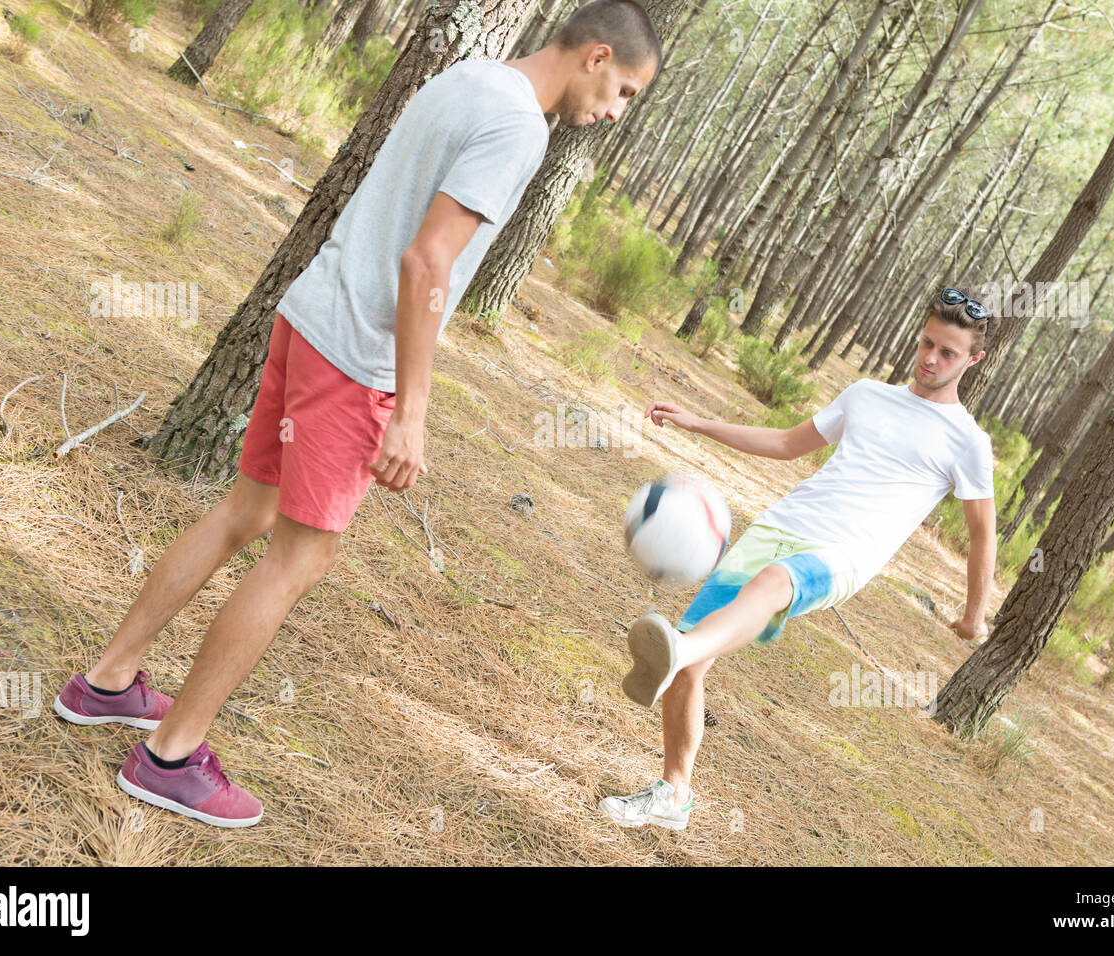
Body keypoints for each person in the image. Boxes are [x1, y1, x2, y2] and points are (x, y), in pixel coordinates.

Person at [52, 1, 662, 829]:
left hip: (309, 319)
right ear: (595, 56)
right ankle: (169, 754)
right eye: (623, 91)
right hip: (355, 361)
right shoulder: (520, 126)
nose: (616, 113)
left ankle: (108, 682)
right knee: (296, 559)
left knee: (245, 512)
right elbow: (427, 259)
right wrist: (411, 410)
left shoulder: (470, 77)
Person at [601, 288, 998, 831]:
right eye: (928, 343)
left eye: (948, 353)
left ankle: (679, 649)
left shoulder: (968, 442)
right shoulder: (866, 394)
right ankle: (674, 795)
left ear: (973, 360)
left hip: (844, 554)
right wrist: (699, 423)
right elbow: (789, 443)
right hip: (781, 527)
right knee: (690, 666)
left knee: (768, 585)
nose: (931, 358)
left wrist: (975, 614)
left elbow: (981, 533)